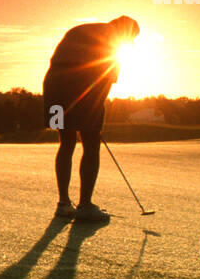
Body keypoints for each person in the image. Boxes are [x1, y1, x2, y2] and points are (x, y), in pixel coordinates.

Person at [42, 16, 139, 222]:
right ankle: (85, 205)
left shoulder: (81, 29)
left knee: (66, 142)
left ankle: (63, 204)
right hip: (78, 87)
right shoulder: (114, 41)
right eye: (131, 38)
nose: (129, 43)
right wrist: (95, 117)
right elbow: (105, 82)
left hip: (53, 89)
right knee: (91, 142)